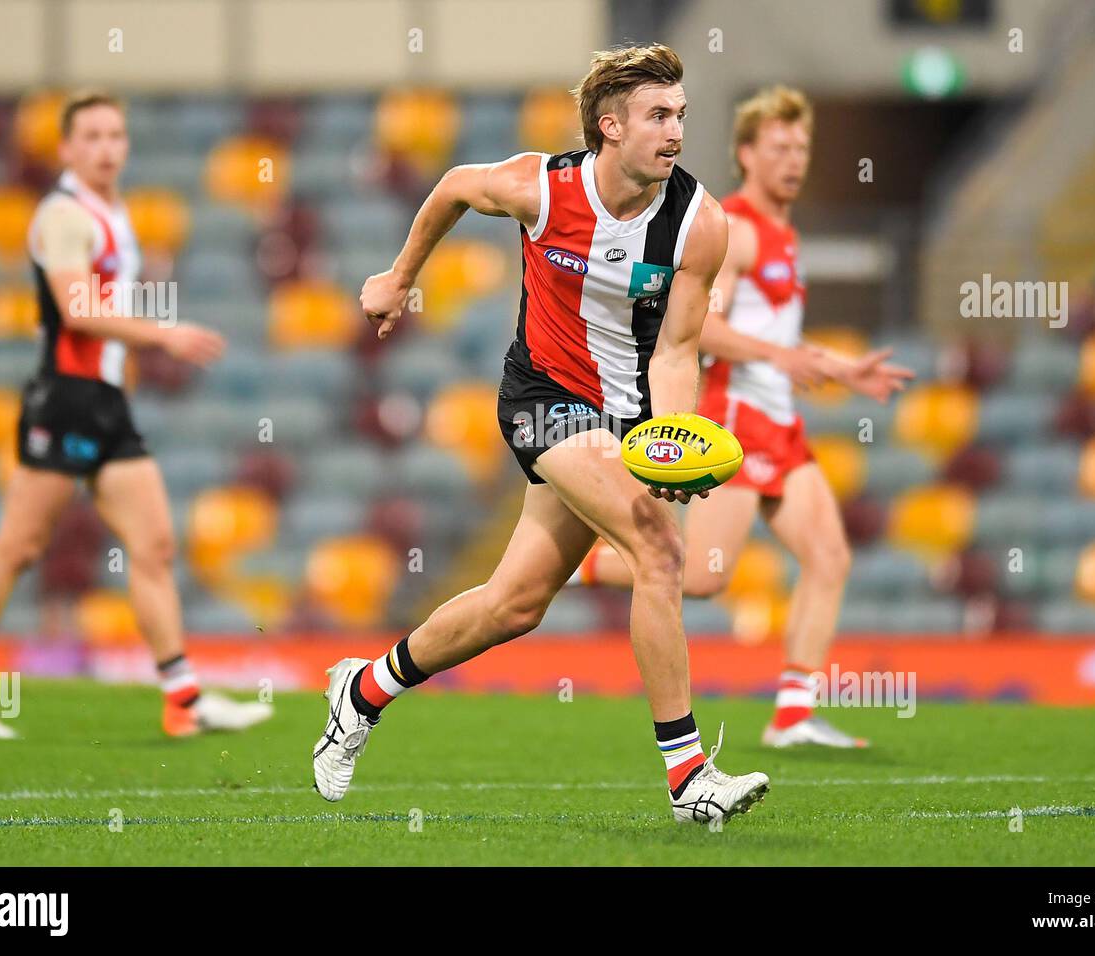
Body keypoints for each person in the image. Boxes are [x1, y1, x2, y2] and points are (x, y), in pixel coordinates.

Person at [313, 45, 770, 824]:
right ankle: (689, 778)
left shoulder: (700, 224)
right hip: (542, 400)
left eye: (682, 116)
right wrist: (400, 278)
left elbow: (678, 351)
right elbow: (455, 187)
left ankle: (360, 692)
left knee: (513, 606)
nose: (676, 132)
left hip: (623, 420)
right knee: (658, 550)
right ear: (610, 126)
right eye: (659, 116)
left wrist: (669, 436)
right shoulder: (543, 187)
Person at [571, 87, 913, 748]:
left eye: (802, 147)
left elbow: (777, 338)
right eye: (779, 147)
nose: (794, 159)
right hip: (738, 421)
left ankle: (792, 715)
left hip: (781, 426)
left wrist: (843, 370)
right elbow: (704, 328)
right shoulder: (741, 231)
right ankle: (578, 564)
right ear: (747, 154)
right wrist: (783, 357)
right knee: (702, 575)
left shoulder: (783, 232)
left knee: (830, 557)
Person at [0, 91, 272, 739]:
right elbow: (78, 310)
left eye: (115, 135)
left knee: (155, 546)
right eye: (90, 136)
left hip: (106, 403)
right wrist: (162, 336)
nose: (106, 148)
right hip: (65, 399)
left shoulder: (111, 211)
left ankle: (183, 700)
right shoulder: (63, 216)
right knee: (20, 544)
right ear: (65, 149)